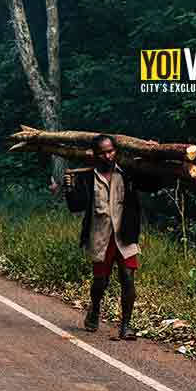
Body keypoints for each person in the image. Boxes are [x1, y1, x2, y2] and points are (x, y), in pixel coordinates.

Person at [63, 134, 144, 340]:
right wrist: (70, 189)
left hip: (124, 236)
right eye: (103, 153)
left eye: (111, 151)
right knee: (101, 282)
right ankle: (95, 308)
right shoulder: (87, 177)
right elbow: (76, 206)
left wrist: (152, 154)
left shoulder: (127, 173)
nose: (108, 156)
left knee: (127, 278)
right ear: (95, 155)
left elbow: (153, 183)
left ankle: (125, 326)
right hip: (100, 237)